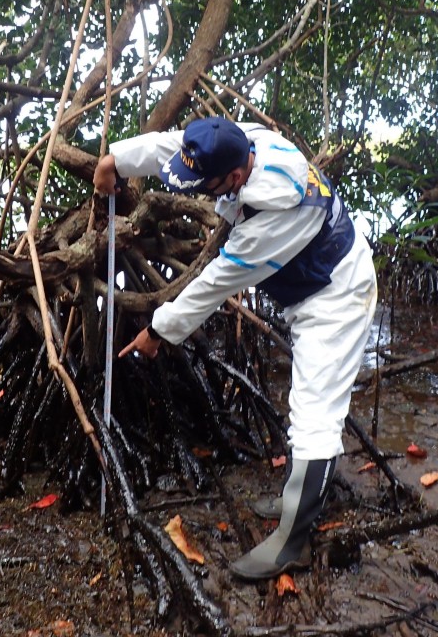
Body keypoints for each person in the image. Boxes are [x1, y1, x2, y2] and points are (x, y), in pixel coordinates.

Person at [93, 116, 377, 580]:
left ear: (236, 178)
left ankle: (294, 542)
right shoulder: (243, 141)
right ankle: (295, 498)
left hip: (337, 296)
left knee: (314, 413)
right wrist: (116, 161)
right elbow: (174, 145)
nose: (198, 192)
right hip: (311, 286)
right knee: (304, 405)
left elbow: (214, 284)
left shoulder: (276, 213)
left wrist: (158, 332)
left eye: (204, 187)